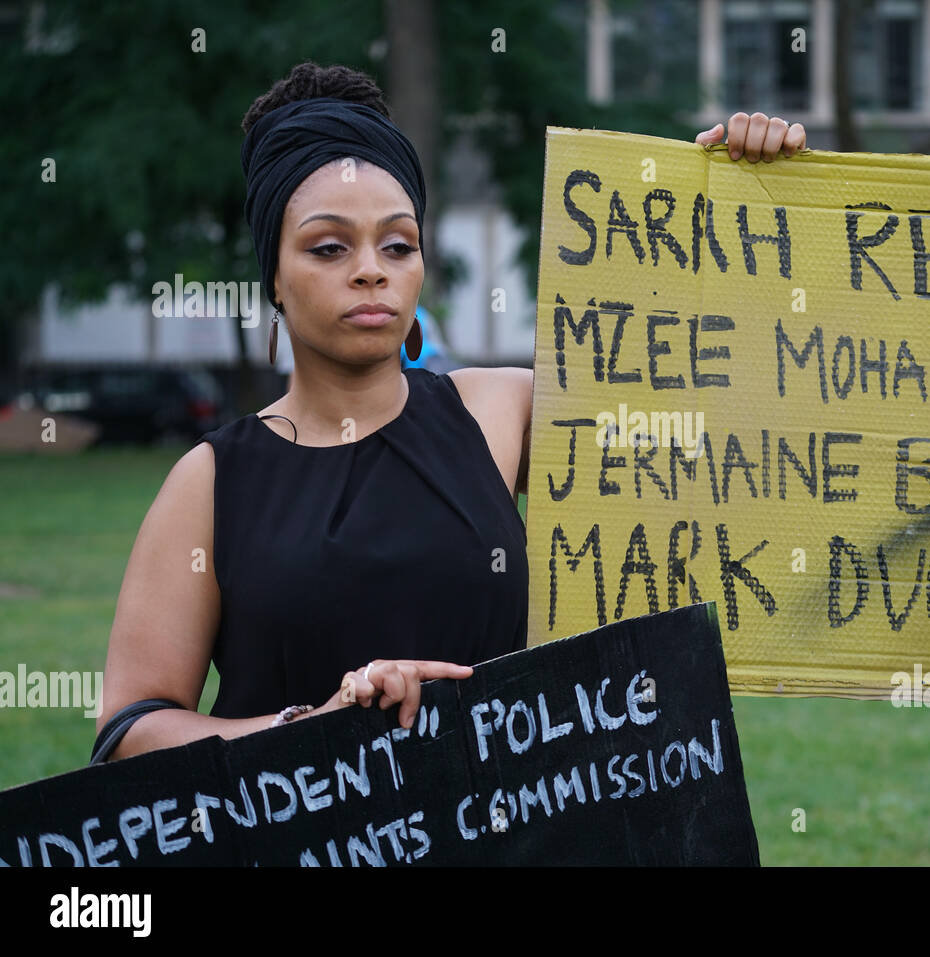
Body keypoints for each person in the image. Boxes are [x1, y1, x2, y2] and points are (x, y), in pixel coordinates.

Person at [95, 61, 807, 759]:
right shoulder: (212, 481)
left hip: (516, 816)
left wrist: (752, 199)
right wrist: (311, 730)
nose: (371, 269)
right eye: (329, 247)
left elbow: (725, 444)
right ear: (274, 277)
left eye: (398, 244)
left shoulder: (499, 408)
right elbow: (130, 729)